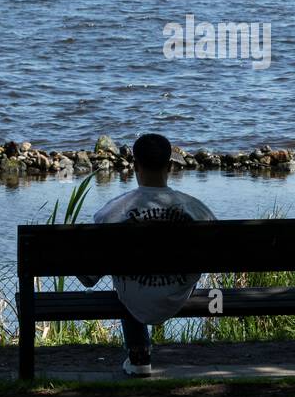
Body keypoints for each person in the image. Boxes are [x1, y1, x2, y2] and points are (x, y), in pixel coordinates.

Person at [79, 133, 216, 377]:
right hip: (179, 292)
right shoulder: (195, 208)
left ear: (135, 166)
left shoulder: (114, 210)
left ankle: (139, 354)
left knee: (121, 269)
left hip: (133, 294)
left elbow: (97, 241)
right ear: (170, 167)